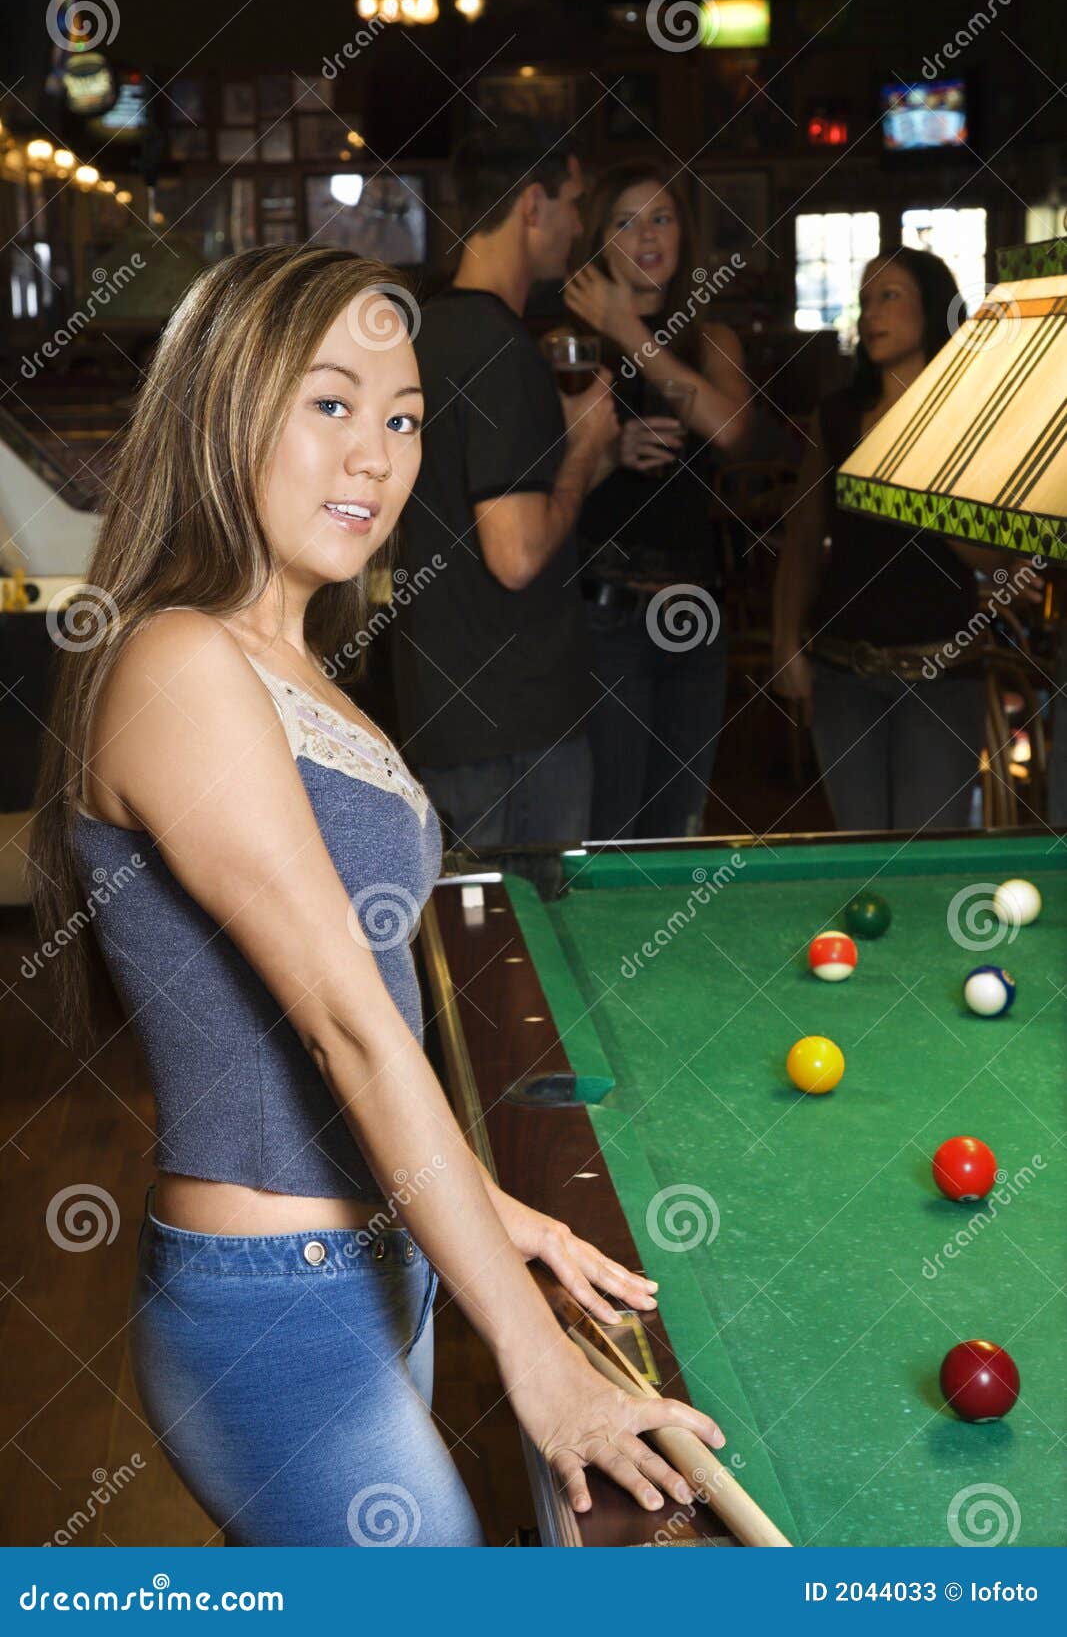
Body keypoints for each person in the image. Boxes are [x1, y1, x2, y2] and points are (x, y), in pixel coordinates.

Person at [27, 246, 723, 1548]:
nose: (378, 455)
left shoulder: (305, 667)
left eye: (403, 417)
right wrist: (535, 1364)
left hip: (370, 1268)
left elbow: (376, 1016)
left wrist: (495, 1214)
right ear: (222, 404)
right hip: (269, 1304)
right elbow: (347, 1018)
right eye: (330, 402)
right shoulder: (177, 660)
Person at [392, 120, 618, 849]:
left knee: (468, 951)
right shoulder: (503, 348)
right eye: (572, 203)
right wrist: (582, 446)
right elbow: (516, 554)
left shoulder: (418, 335)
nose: (579, 225)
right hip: (515, 726)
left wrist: (581, 458)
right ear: (531, 206)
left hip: (437, 705)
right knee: (526, 950)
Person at [773, 247, 1034, 832]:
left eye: (889, 296)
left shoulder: (972, 416)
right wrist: (786, 643)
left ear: (934, 309)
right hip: (844, 671)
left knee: (925, 848)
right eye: (865, 300)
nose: (870, 314)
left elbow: (996, 559)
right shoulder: (836, 415)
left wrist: (918, 467)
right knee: (860, 850)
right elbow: (802, 540)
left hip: (943, 671)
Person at [564, 160, 750, 839]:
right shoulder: (572, 346)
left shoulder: (711, 340)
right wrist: (612, 455)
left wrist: (632, 331)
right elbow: (542, 490)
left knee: (677, 825)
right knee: (612, 825)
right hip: (604, 616)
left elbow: (729, 428)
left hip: (695, 614)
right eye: (625, 221)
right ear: (597, 241)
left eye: (661, 218)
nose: (647, 236)